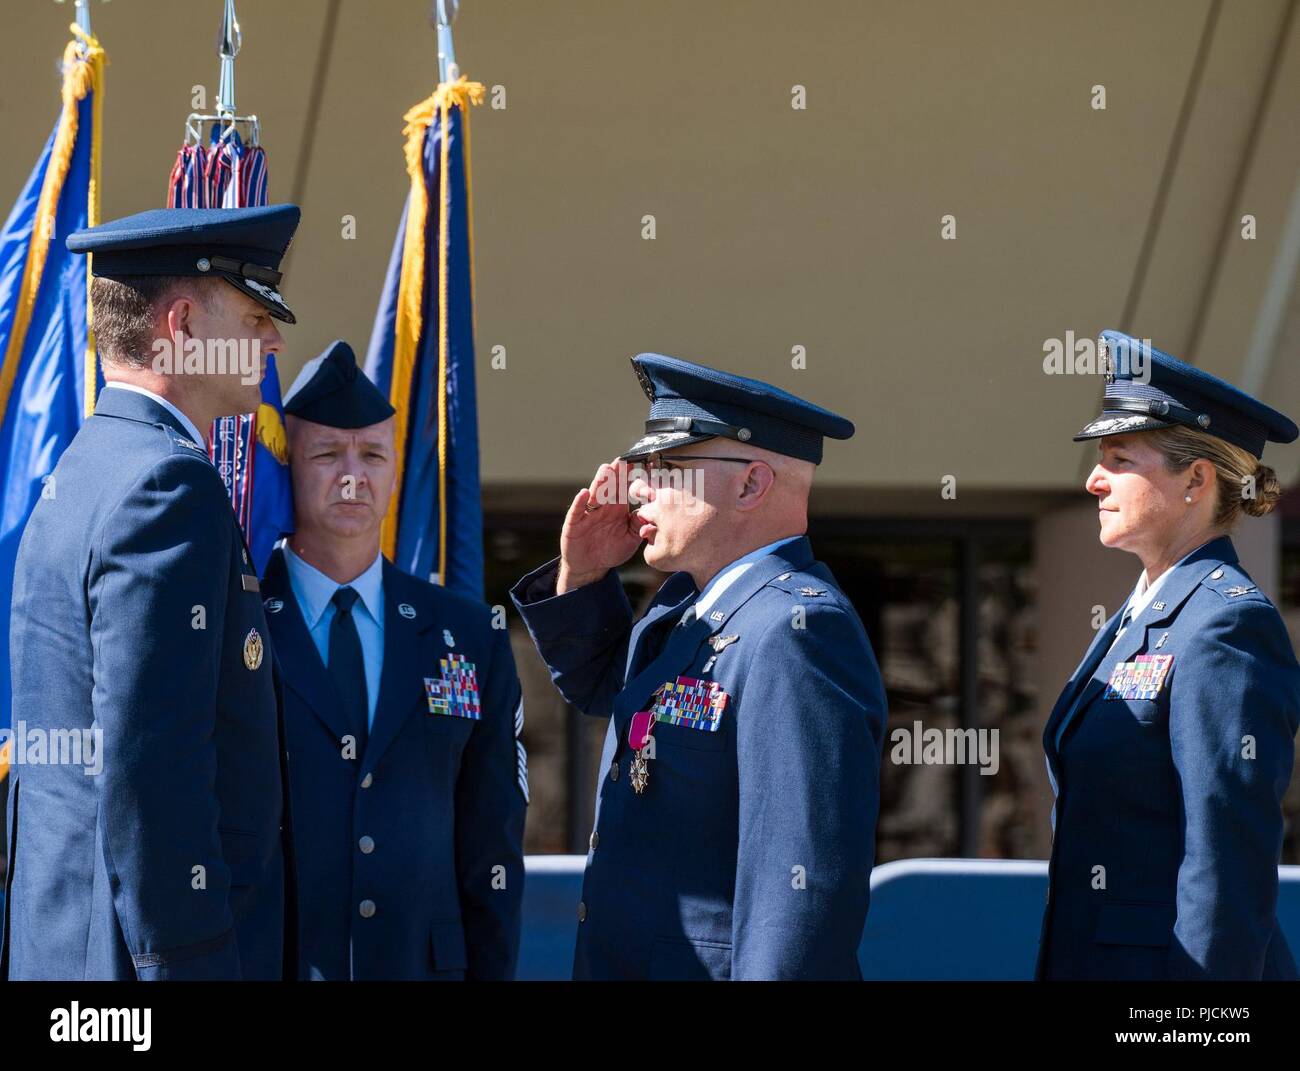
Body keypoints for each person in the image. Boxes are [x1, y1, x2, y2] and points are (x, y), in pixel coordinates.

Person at [510, 352, 887, 980]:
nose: (637, 489)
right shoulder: (688, 606)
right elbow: (608, 694)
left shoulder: (797, 629)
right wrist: (584, 573)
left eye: (669, 469)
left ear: (750, 484)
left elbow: (798, 884)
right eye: (643, 468)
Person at [2, 205, 301, 980]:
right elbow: (149, 768)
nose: (272, 341)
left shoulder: (79, 471)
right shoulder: (167, 484)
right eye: (252, 314)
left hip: (69, 947)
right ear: (183, 325)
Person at [1038, 329, 1300, 980]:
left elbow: (1226, 865)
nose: (1095, 480)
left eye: (1120, 458)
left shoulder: (1225, 624)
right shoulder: (1141, 617)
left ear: (1196, 479)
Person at [261, 340, 527, 980]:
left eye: (373, 455)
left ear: (396, 470)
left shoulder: (466, 633)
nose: (353, 474)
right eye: (326, 453)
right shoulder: (234, 622)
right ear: (287, 465)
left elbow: (490, 841)